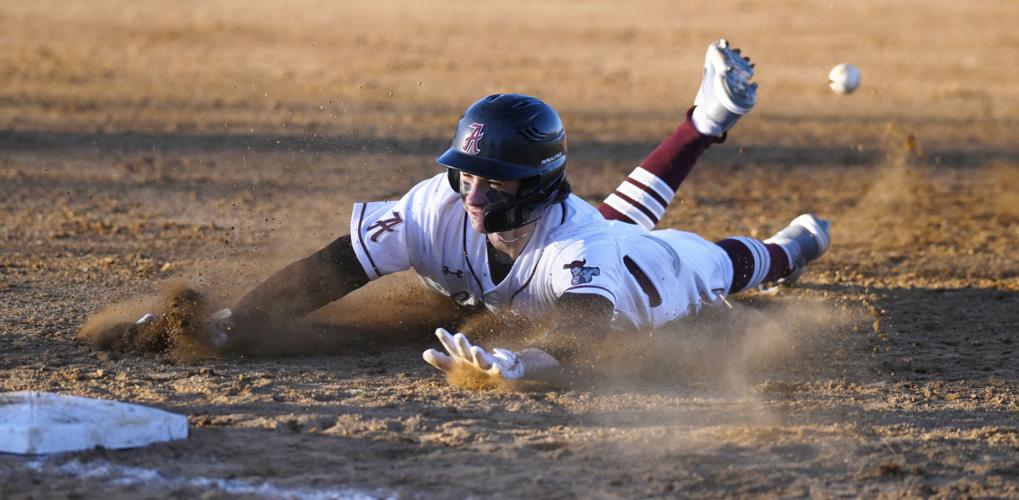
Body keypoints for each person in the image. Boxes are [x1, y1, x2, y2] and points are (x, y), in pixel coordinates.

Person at [140, 39, 830, 383]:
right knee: (616, 217)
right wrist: (234, 323)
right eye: (467, 176)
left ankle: (795, 246)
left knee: (715, 263)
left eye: (493, 184)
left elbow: (584, 334)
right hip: (589, 239)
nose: (471, 196)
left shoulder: (581, 248)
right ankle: (706, 119)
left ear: (537, 186)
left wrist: (525, 364)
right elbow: (332, 269)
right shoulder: (435, 205)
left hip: (652, 279)